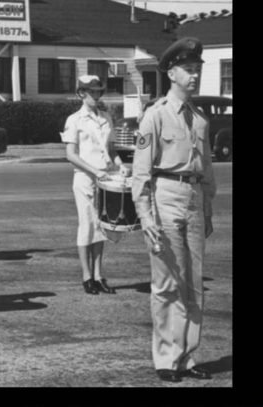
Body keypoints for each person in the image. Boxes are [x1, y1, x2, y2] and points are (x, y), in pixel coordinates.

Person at [132, 37, 217, 383]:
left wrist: (208, 208)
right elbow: (141, 173)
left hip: (193, 197)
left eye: (197, 70)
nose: (194, 75)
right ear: (171, 72)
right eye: (188, 69)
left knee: (193, 284)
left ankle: (187, 358)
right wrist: (146, 217)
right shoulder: (155, 116)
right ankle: (166, 360)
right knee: (167, 282)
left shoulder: (199, 120)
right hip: (164, 195)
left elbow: (207, 170)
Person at [62, 75, 126, 295]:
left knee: (102, 226)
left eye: (99, 92)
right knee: (87, 226)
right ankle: (86, 276)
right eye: (92, 92)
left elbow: (112, 149)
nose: (97, 96)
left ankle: (98, 275)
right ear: (81, 93)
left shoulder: (106, 117)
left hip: (106, 178)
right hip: (85, 179)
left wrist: (120, 164)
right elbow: (70, 154)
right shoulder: (74, 120)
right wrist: (95, 170)